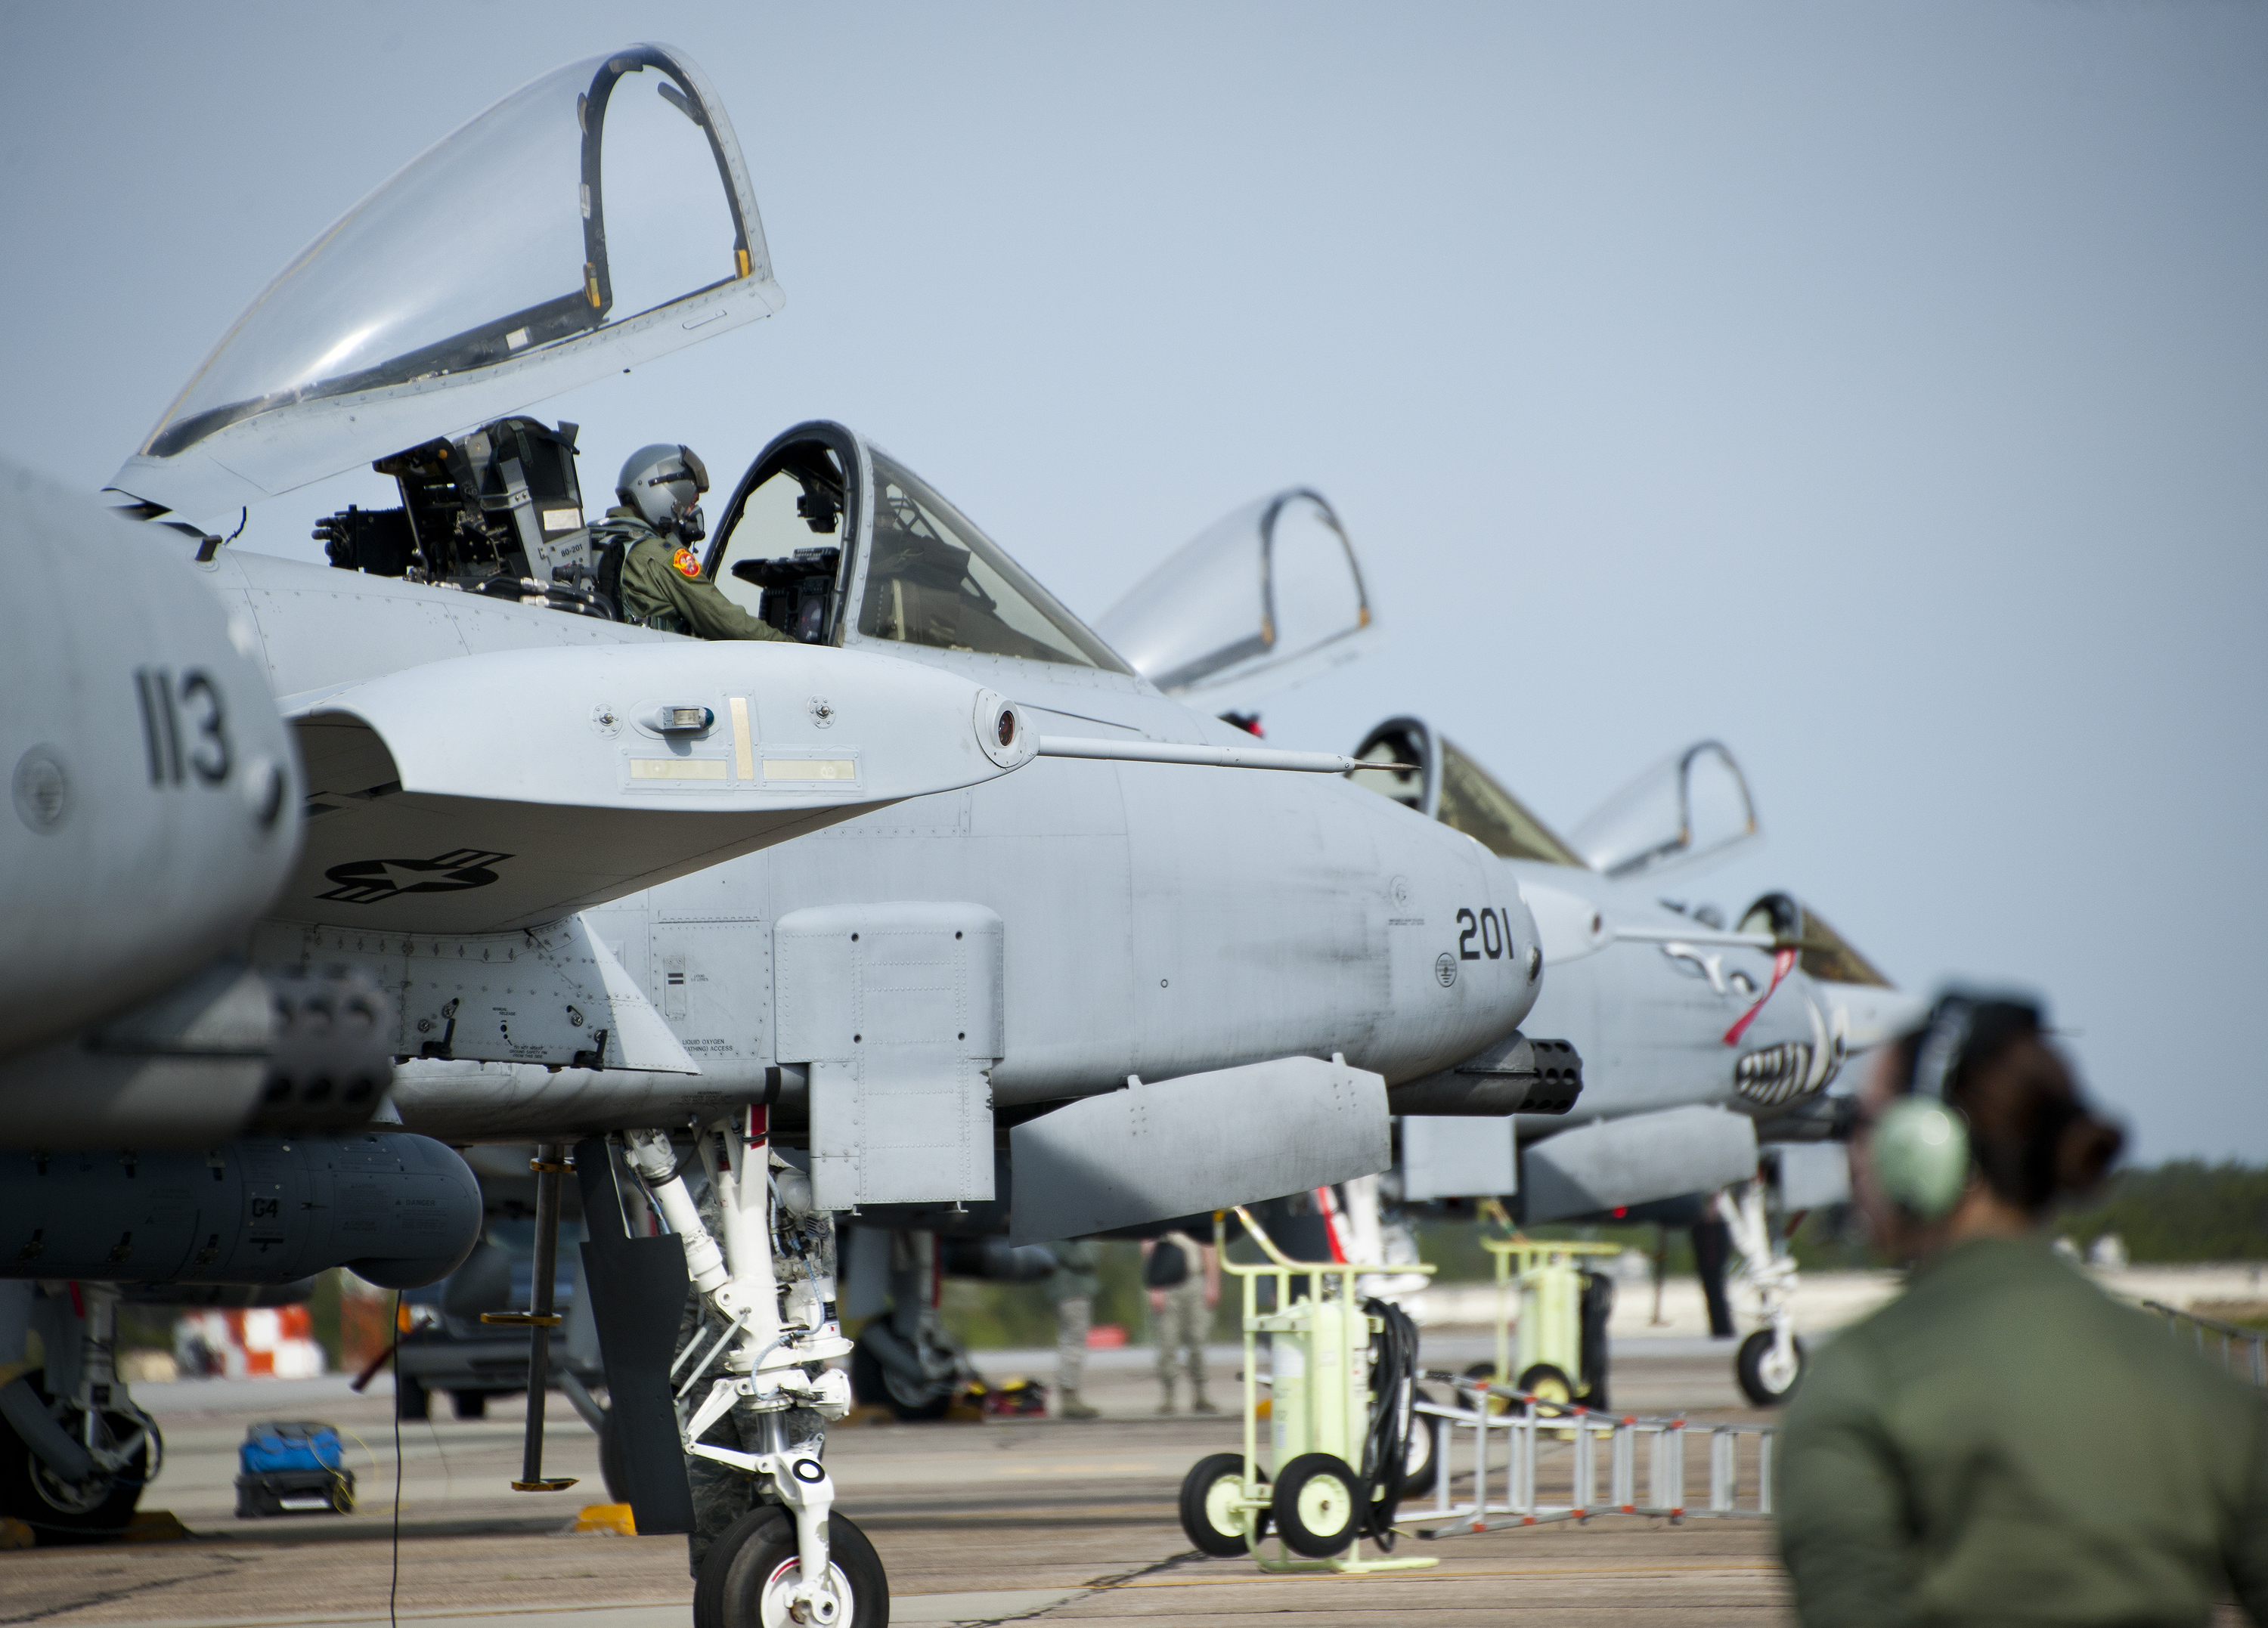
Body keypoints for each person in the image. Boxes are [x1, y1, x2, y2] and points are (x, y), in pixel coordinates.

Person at [1777, 993, 2268, 1626]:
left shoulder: (1862, 1383)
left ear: (1922, 1149)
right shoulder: (2197, 1385)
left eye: (1866, 1126)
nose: (1854, 1153)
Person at [600, 443, 791, 642]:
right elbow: (725, 622)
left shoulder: (595, 540)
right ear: (664, 496)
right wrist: (795, 646)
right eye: (690, 504)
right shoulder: (661, 557)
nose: (690, 514)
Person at [1142, 1227, 1219, 1413]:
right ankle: (1168, 1396)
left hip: (1194, 1280)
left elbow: (1209, 1246)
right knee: (1167, 1341)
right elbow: (1148, 1246)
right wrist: (1155, 1285)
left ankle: (1200, 1395)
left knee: (1198, 1340)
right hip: (1167, 1280)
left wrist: (1212, 1282)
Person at [1044, 1239, 1101, 1420]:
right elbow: (1082, 1258)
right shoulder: (1066, 1228)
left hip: (1069, 1291)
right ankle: (1069, 1396)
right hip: (1072, 1291)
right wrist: (1093, 1248)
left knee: (1070, 1342)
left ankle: (1069, 1394)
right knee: (1074, 1344)